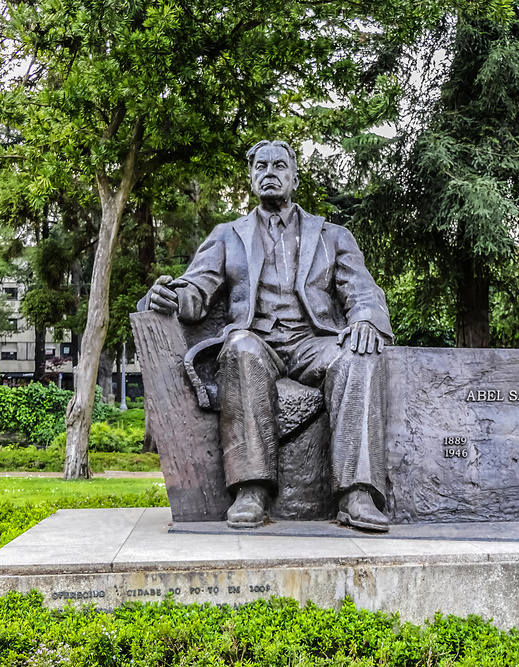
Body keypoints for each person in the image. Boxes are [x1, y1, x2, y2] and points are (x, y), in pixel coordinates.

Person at [143, 140, 392, 532]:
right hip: (257, 340)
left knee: (359, 357)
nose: (270, 172)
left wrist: (365, 320)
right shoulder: (228, 235)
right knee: (239, 347)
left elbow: (362, 291)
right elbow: (196, 292)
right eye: (261, 166)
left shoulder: (332, 236)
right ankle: (251, 490)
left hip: (313, 342)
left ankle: (356, 494)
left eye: (279, 165)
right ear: (251, 176)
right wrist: (169, 296)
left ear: (294, 176)